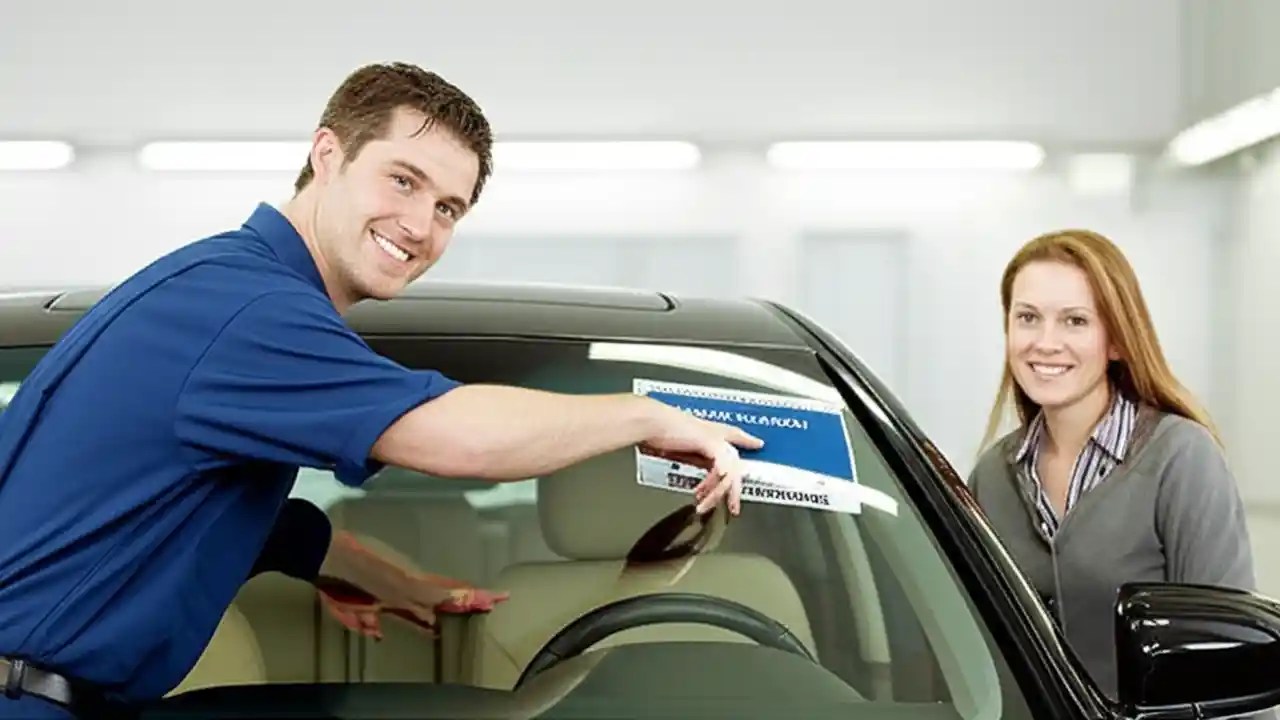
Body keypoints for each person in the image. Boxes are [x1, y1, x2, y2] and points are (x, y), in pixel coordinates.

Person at [0, 62, 761, 719]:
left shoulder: (218, 289)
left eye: (447, 209)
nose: (421, 225)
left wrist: (386, 578)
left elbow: (181, 504)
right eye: (403, 179)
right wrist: (640, 413)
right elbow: (455, 435)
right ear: (327, 154)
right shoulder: (252, 315)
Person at [966, 229, 1255, 700]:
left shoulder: (1181, 460)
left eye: (1075, 321)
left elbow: (1233, 663)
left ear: (1116, 340)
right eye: (1028, 318)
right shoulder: (992, 475)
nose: (1046, 342)